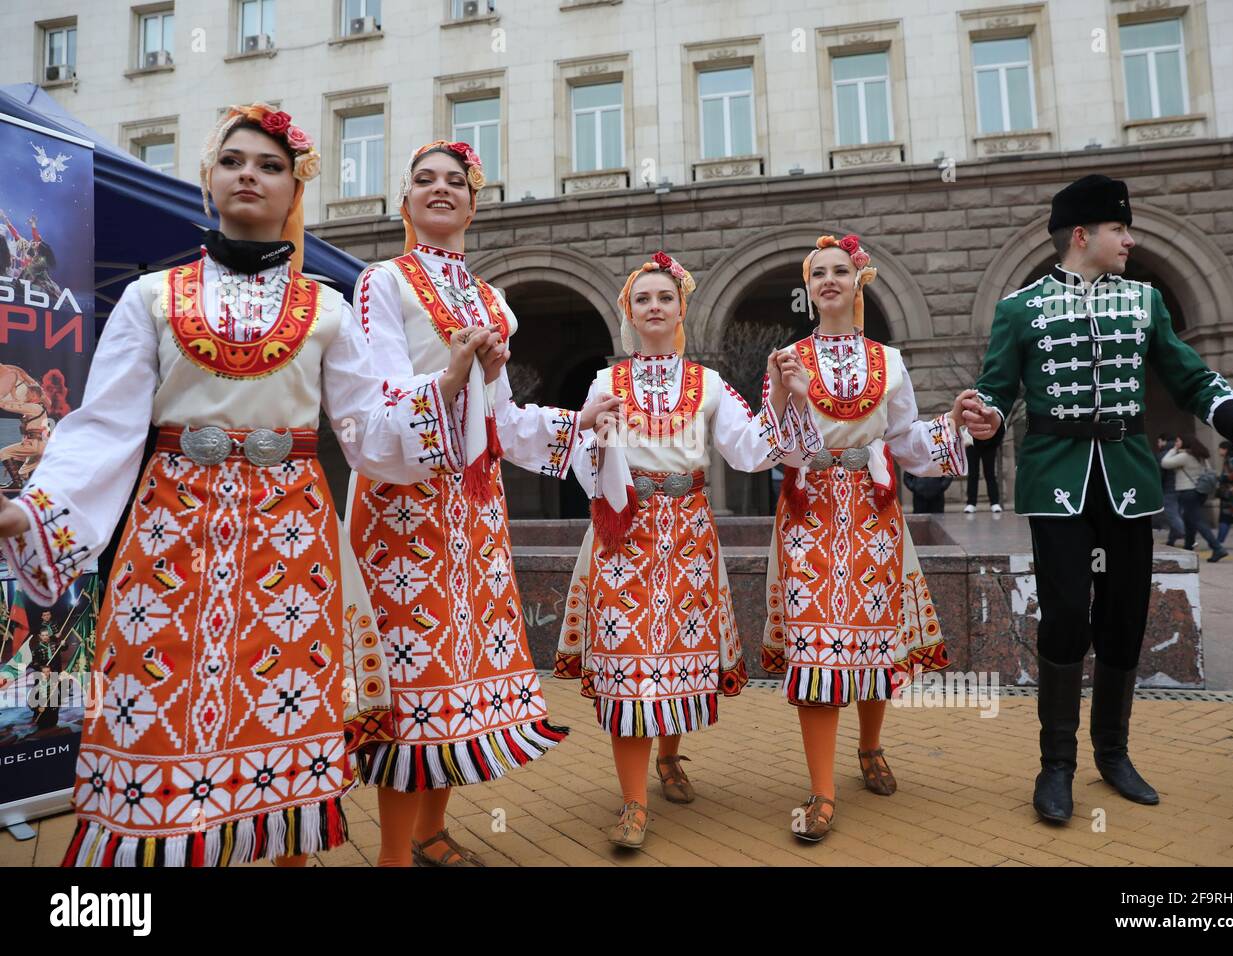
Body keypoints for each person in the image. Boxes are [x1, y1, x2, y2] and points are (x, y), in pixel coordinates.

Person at [0, 103, 479, 867]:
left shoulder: (326, 308)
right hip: (169, 542)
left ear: (294, 194)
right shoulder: (151, 298)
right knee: (157, 724)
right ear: (207, 185)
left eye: (269, 165)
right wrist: (34, 513)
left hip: (292, 547)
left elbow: (368, 433)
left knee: (282, 731)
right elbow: (104, 429)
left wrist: (445, 383)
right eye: (233, 162)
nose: (249, 174)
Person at [962, 173, 1233, 824]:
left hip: (1130, 480)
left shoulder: (1144, 303)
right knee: (1061, 618)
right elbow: (996, 390)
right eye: (1119, 229)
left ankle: (1113, 751)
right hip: (1056, 481)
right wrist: (984, 417)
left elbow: (1191, 377)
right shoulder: (1019, 309)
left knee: (1125, 616)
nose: (1129, 240)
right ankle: (1057, 764)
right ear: (1083, 235)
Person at [348, 140, 618, 868]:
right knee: (410, 677)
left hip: (472, 511)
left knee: (455, 675)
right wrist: (454, 372)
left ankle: (433, 833)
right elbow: (379, 396)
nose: (440, 190)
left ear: (474, 202)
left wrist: (573, 423)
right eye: (423, 180)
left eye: (455, 182)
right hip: (402, 505)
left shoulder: (490, 301)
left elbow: (498, 419)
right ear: (404, 202)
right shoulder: (381, 283)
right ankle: (395, 854)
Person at [555, 250, 817, 850]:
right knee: (628, 663)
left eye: (664, 298)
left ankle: (669, 758)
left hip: (689, 533)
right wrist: (593, 438)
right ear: (629, 311)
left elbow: (749, 452)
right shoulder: (608, 381)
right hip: (625, 533)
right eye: (642, 298)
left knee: (677, 652)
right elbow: (584, 461)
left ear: (680, 309)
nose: (654, 306)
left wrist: (778, 397)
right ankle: (631, 802)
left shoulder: (707, 382)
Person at [762, 235, 969, 842]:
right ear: (808, 289)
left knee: (874, 637)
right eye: (818, 273)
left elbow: (905, 442)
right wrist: (788, 396)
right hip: (810, 514)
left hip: (874, 513)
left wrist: (953, 423)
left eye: (840, 272)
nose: (829, 280)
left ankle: (871, 746)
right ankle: (822, 791)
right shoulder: (786, 358)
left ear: (860, 282)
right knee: (817, 647)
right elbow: (772, 442)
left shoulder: (890, 360)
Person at [1160, 435, 1229, 562]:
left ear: (1185, 442)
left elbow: (1165, 463)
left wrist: (1173, 449)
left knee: (1197, 521)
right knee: (1189, 520)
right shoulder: (1200, 456)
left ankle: (1217, 548)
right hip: (1199, 491)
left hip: (1187, 492)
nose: (1176, 443)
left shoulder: (1185, 456)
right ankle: (1188, 549)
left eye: (1178, 441)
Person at [963, 422, 1003, 513]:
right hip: (972, 442)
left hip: (989, 442)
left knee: (990, 473)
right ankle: (971, 503)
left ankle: (994, 503)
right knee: (973, 474)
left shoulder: (990, 407)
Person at [1152, 434, 1185, 546]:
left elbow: (1159, 474)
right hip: (1182, 487)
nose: (1158, 444)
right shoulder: (1180, 452)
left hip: (1169, 488)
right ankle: (1172, 540)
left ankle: (1185, 534)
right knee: (1177, 513)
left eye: (1159, 441)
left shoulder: (1162, 455)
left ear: (1164, 441)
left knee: (1172, 514)